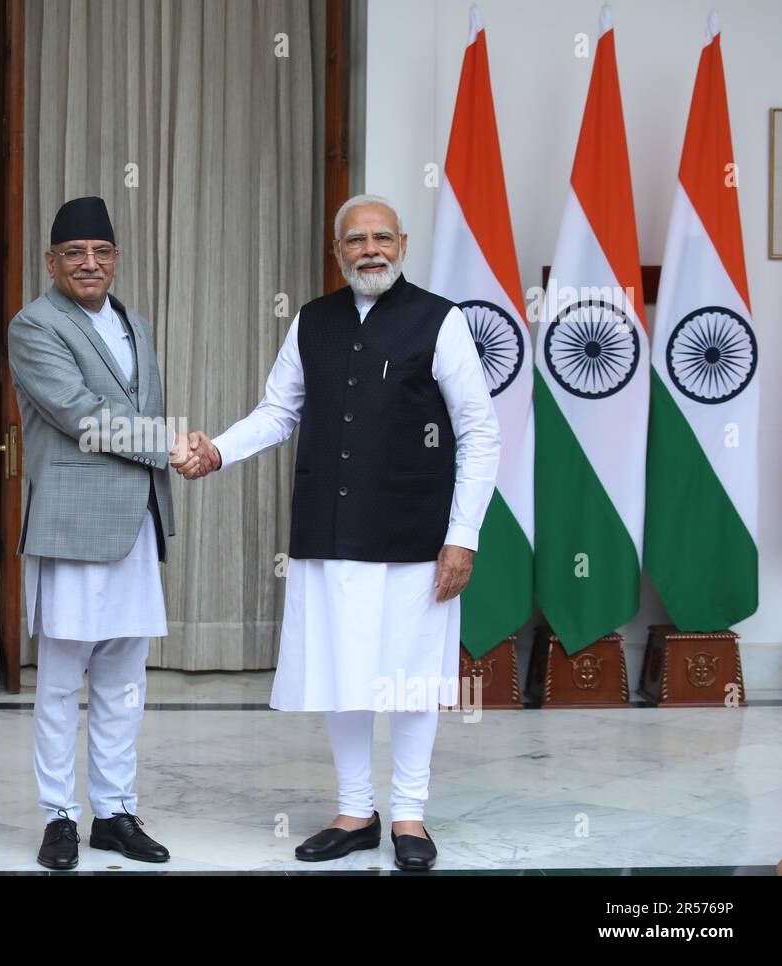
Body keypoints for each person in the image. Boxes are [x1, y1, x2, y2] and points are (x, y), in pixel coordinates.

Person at [173, 194, 499, 871]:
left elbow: (480, 431)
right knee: (343, 674)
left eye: (382, 237)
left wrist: (462, 535)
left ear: (403, 245)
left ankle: (408, 814)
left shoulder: (441, 321)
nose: (369, 249)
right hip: (330, 529)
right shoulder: (313, 321)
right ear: (338, 251)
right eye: (355, 240)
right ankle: (356, 812)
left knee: (408, 681)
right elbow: (277, 412)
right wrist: (218, 451)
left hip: (417, 535)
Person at [7, 196, 186, 870]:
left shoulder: (135, 323)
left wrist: (167, 450)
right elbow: (83, 415)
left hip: (135, 525)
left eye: (101, 252)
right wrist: (173, 444)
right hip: (73, 526)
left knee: (123, 680)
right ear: (52, 261)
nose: (89, 264)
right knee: (59, 682)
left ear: (115, 259)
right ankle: (59, 817)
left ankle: (113, 812)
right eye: (75, 253)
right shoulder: (34, 326)